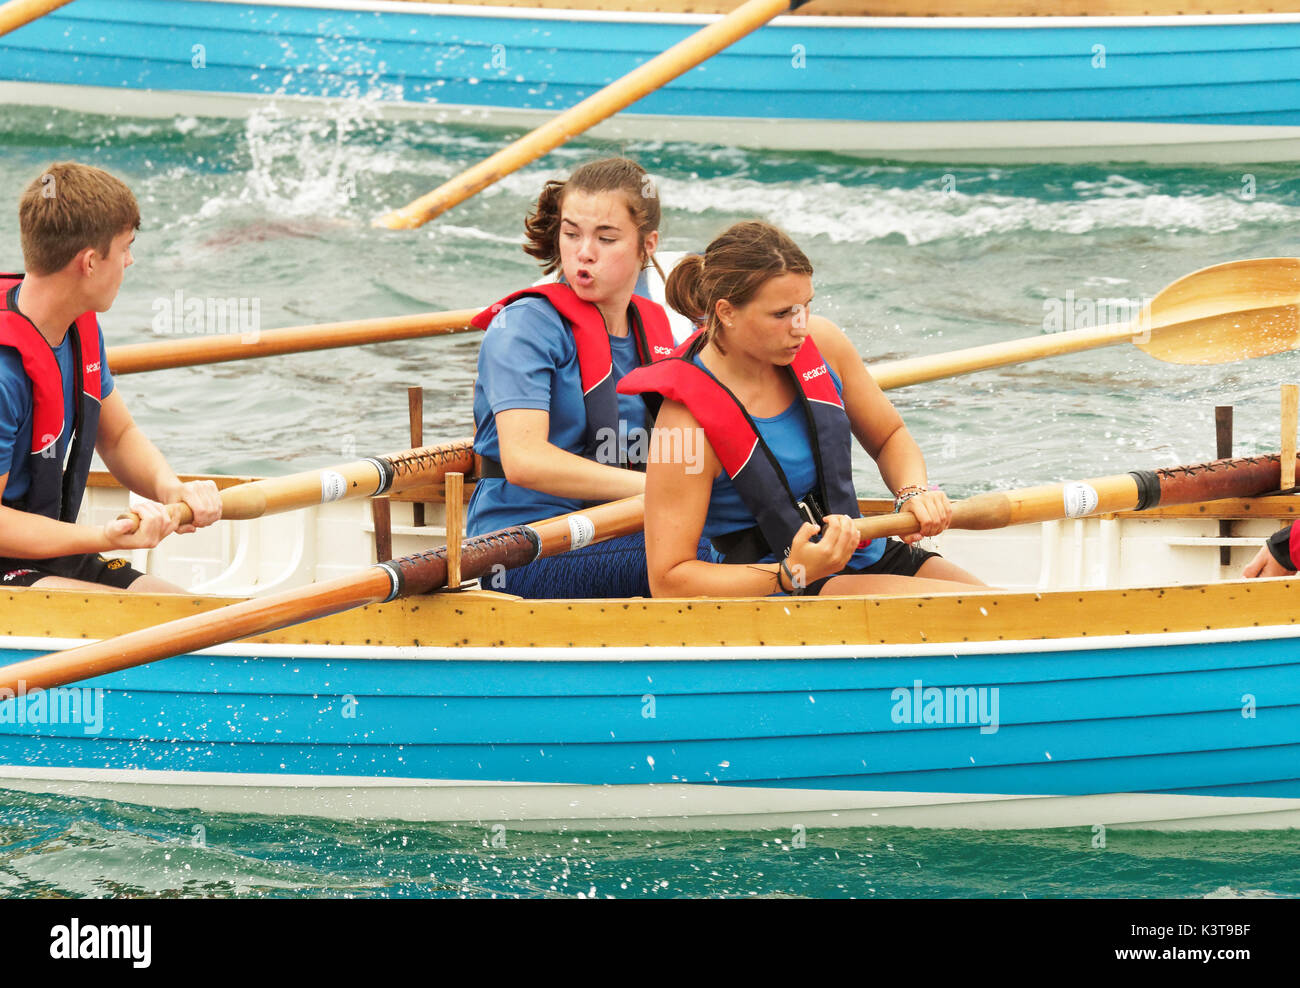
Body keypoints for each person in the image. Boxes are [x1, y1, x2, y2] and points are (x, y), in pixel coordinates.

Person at [619, 221, 986, 597]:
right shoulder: (684, 424)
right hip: (779, 585)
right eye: (781, 314)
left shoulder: (824, 343)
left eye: (806, 306)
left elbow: (890, 437)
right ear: (726, 312)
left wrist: (912, 492)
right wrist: (788, 573)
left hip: (862, 551)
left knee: (1004, 605)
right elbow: (668, 580)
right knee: (980, 612)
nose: (800, 326)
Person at [466, 157, 688, 598]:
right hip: (523, 551)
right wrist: (662, 491)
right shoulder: (524, 327)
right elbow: (525, 460)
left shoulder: (663, 329)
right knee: (714, 555)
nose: (584, 252)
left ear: (648, 245)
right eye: (571, 234)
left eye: (606, 238)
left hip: (619, 530)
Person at [0, 161, 221, 591]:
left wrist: (171, 489)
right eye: (125, 247)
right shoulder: (4, 373)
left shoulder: (79, 326)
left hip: (48, 551)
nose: (130, 260)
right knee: (137, 624)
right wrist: (103, 537)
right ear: (88, 263)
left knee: (179, 609)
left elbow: (118, 436)